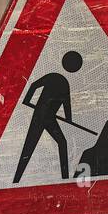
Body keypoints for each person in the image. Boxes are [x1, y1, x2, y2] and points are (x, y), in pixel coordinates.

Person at [13, 50, 83, 184]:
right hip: (40, 116)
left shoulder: (56, 78)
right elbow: (66, 105)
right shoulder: (60, 81)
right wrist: (69, 119)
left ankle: (65, 179)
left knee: (59, 143)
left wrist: (27, 100)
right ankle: (16, 180)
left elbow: (65, 104)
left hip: (48, 118)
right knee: (29, 146)